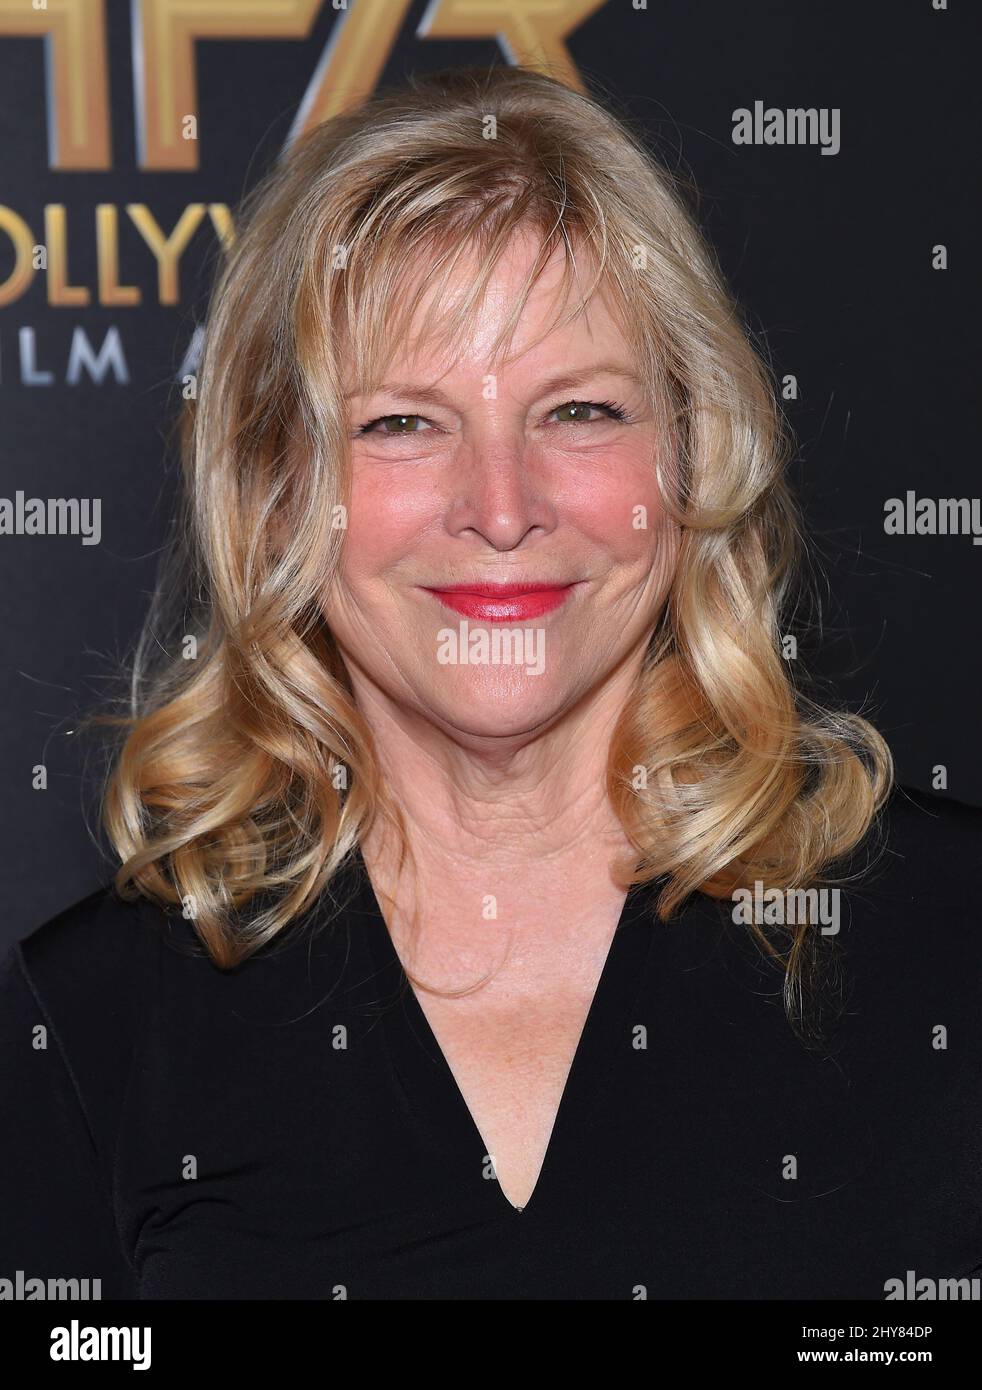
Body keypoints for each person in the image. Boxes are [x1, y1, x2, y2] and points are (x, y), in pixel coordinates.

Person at [1, 64, 979, 1301]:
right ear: (275, 491)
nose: (502, 509)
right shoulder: (93, 1028)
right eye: (401, 423)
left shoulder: (952, 950)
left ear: (690, 454)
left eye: (578, 410)